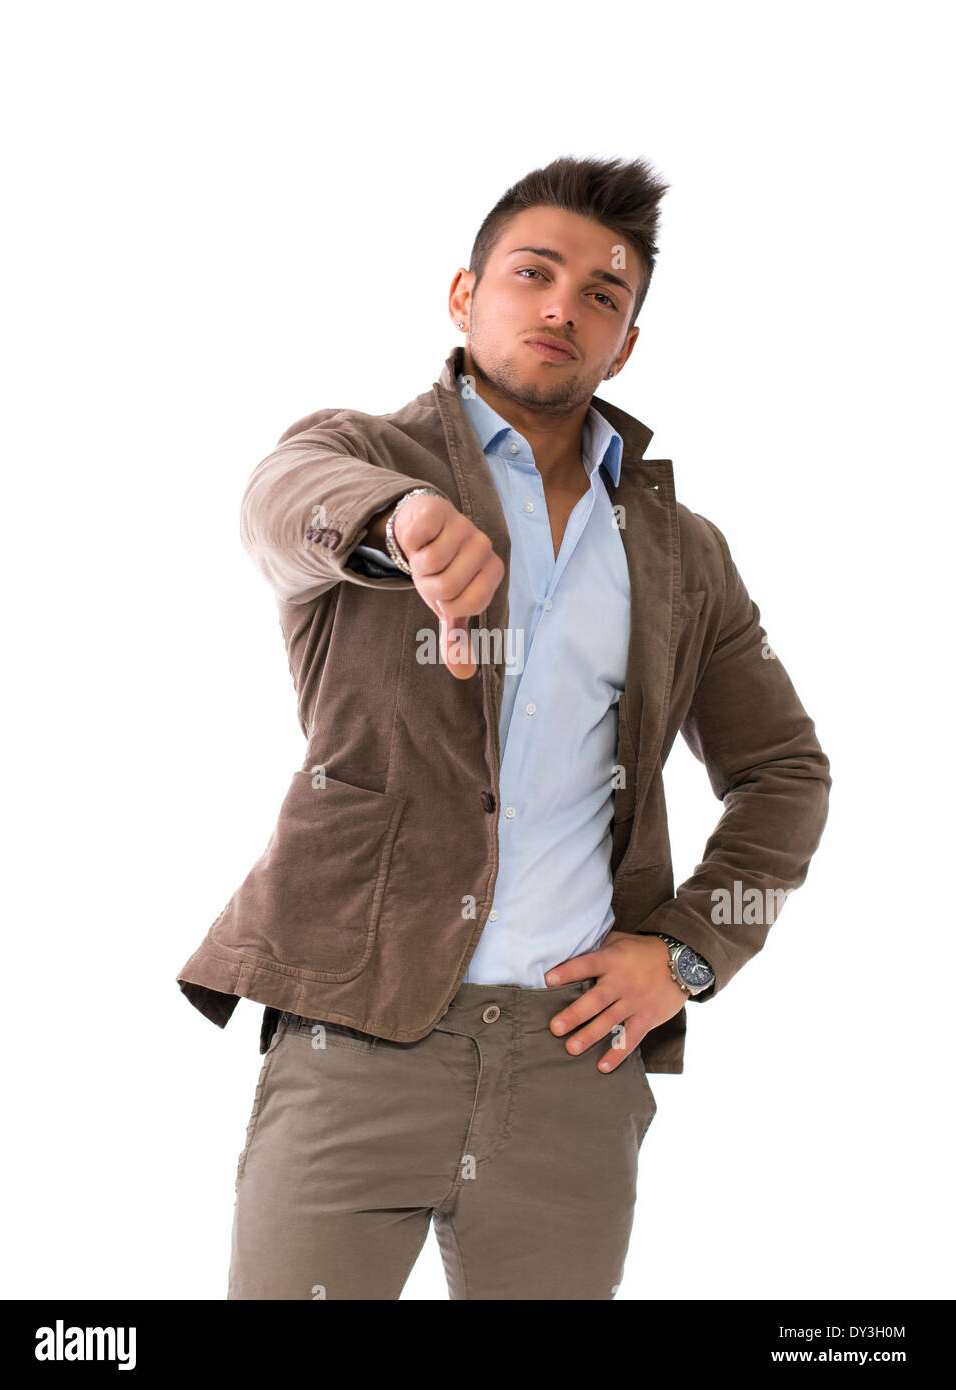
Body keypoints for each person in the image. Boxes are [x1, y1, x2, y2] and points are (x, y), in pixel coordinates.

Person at [176, 155, 831, 1300]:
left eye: (602, 295)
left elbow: (782, 771)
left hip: (573, 1058)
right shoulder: (364, 456)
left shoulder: (681, 551)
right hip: (353, 1036)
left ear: (623, 343)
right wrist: (402, 517)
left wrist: (686, 952)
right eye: (531, 273)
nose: (560, 307)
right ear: (463, 296)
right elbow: (281, 498)